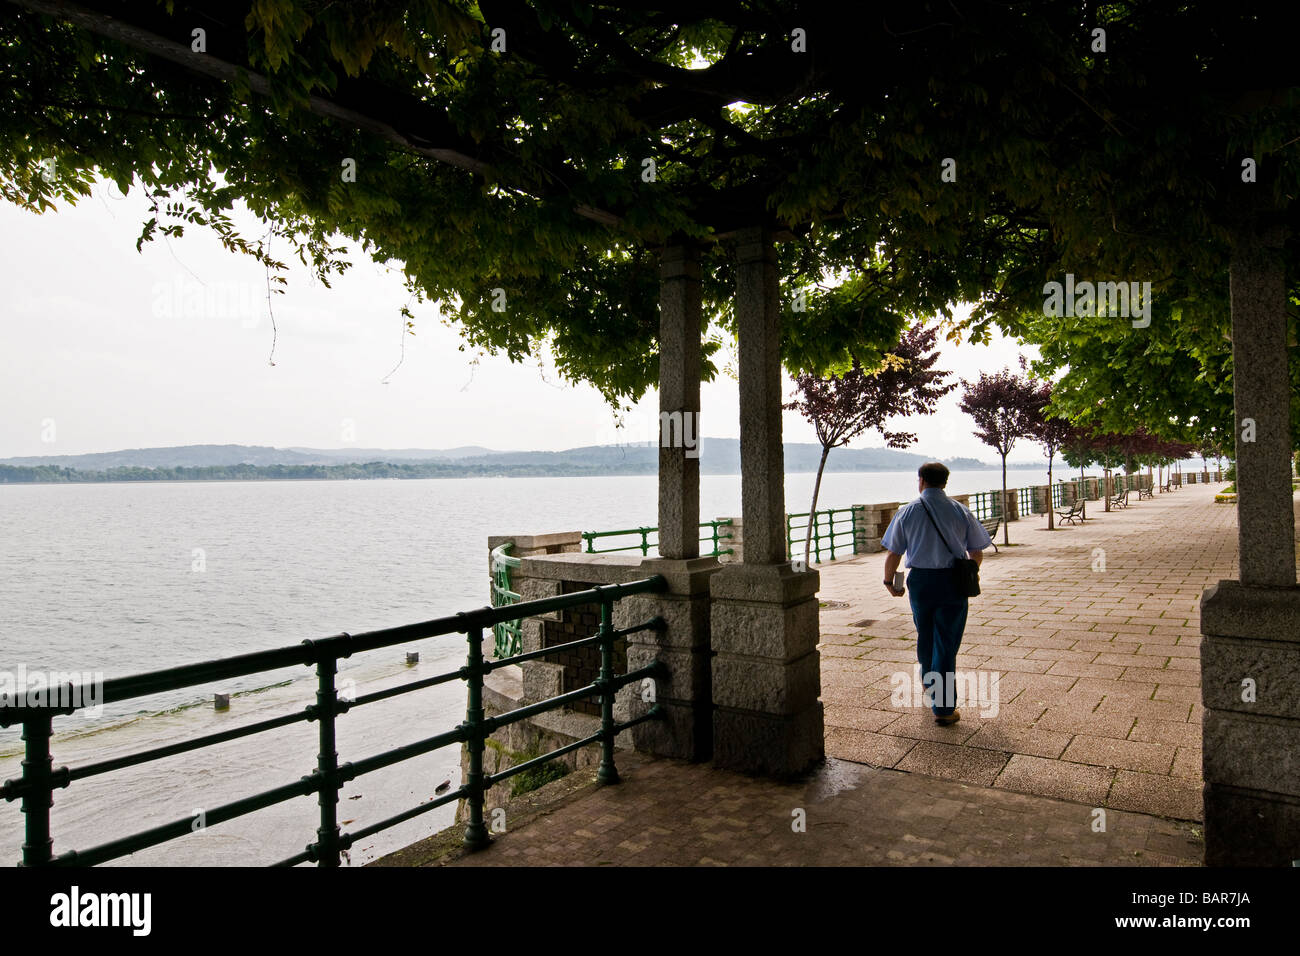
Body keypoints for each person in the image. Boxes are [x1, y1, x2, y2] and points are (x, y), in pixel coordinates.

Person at [880, 461, 993, 725]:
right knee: (946, 641)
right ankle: (943, 708)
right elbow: (977, 551)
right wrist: (968, 571)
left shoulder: (907, 512)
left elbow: (893, 553)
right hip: (952, 582)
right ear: (945, 482)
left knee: (926, 634)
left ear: (921, 480)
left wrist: (889, 582)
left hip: (920, 581)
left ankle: (930, 684)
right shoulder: (959, 510)